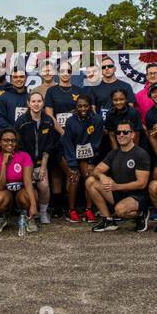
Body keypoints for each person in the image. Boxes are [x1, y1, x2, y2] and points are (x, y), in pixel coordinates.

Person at [85, 119, 152, 232]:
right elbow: (97, 170)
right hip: (118, 193)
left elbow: (142, 184)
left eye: (125, 132)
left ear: (132, 134)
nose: (121, 135)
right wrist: (103, 176)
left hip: (137, 196)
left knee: (120, 210)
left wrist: (117, 187)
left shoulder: (141, 154)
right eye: (118, 132)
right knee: (90, 181)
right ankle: (108, 220)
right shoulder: (114, 153)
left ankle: (141, 213)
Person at [14, 90, 56, 226]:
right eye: (33, 101)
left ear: (43, 103)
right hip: (25, 163)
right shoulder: (21, 121)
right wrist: (29, 169)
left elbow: (49, 146)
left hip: (41, 162)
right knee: (29, 188)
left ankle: (43, 212)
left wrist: (43, 167)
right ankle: (28, 211)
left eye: (39, 101)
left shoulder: (48, 121)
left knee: (44, 186)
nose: (36, 104)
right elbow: (18, 147)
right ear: (28, 103)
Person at [0, 129, 39, 235]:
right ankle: (1, 218)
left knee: (29, 195)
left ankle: (28, 217)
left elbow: (28, 182)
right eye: (6, 140)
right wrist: (4, 163)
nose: (10, 143)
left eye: (13, 140)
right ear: (0, 142)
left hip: (21, 194)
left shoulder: (24, 156)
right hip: (6, 194)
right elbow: (0, 186)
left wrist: (33, 205)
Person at [61, 94, 104, 222]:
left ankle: (88, 210)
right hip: (70, 153)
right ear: (76, 107)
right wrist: (73, 165)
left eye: (86, 106)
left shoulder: (97, 119)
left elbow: (96, 142)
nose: (83, 109)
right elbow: (67, 144)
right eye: (80, 106)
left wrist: (91, 162)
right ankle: (72, 210)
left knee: (90, 176)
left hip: (88, 154)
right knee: (74, 177)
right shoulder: (70, 121)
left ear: (90, 106)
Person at [0, 68, 31, 134]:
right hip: (10, 138)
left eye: (21, 77)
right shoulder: (3, 97)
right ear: (10, 79)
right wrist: (13, 131)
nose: (19, 79)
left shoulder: (31, 97)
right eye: (15, 77)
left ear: (26, 78)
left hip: (28, 136)